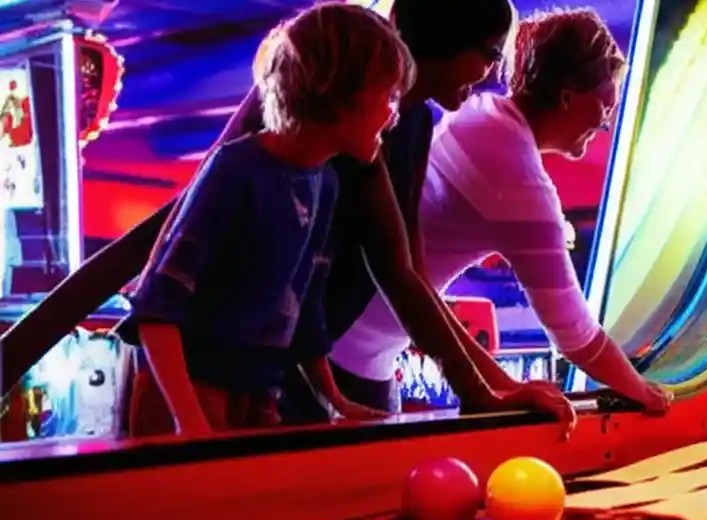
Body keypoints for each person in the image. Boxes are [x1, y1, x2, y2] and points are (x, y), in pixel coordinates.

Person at [0, 0, 576, 435]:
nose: (491, 74)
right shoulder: (309, 105)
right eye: (489, 54)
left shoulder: (398, 129)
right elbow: (165, 242)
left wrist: (490, 388)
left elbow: (402, 271)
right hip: (206, 371)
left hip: (272, 373)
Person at [328, 8, 672, 414]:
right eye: (605, 105)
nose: (606, 122)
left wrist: (501, 386)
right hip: (347, 358)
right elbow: (576, 335)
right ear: (567, 97)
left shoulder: (481, 117)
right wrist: (646, 394)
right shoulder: (518, 180)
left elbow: (418, 280)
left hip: (361, 355)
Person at [121, 3, 407, 436]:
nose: (392, 113)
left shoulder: (324, 181)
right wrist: (189, 419)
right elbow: (157, 305)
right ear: (337, 90)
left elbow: (304, 302)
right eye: (386, 96)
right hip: (188, 387)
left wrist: (335, 398)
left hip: (257, 389)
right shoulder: (236, 169)